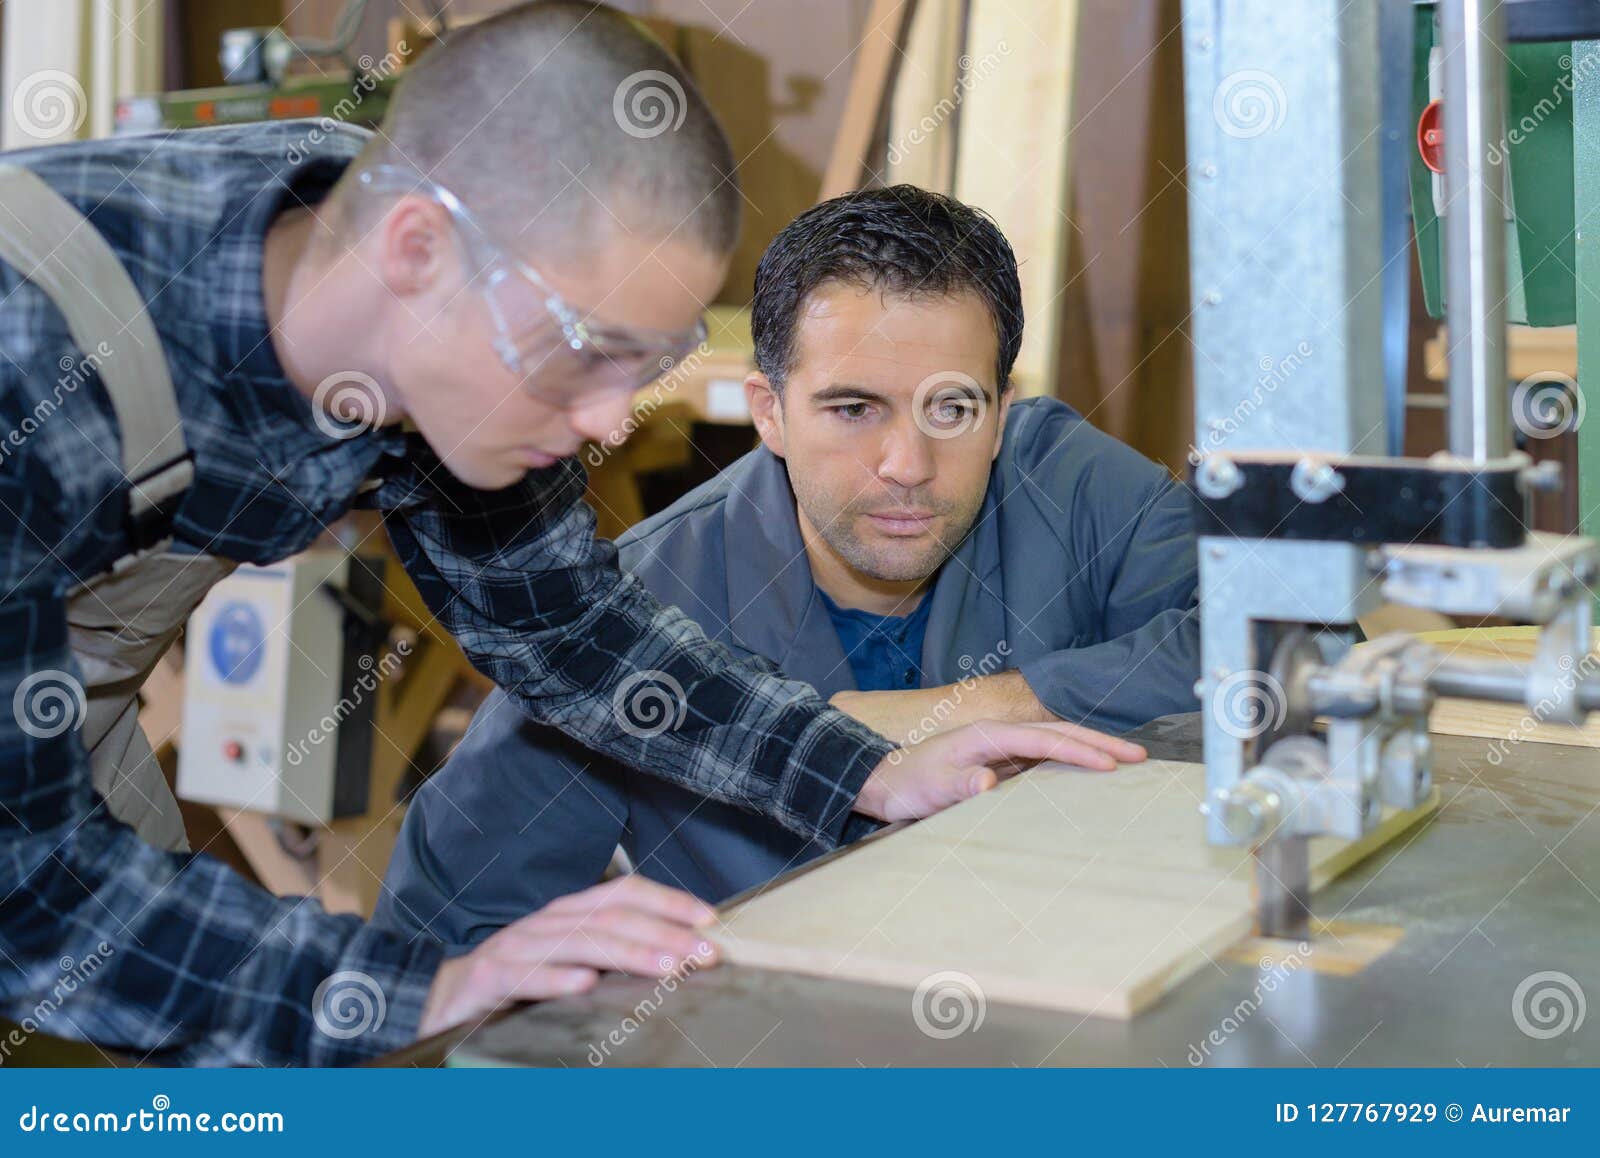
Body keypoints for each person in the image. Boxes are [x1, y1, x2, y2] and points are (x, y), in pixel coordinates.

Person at [0, 4, 1141, 1066]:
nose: (607, 420)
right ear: (414, 252)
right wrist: (422, 988)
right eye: (587, 351)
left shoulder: (429, 318)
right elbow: (27, 893)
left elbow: (571, 634)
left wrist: (866, 769)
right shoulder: (30, 360)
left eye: (641, 364)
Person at [375, 186, 1196, 949]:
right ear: (768, 411)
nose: (908, 462)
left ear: (1002, 409)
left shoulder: (1071, 489)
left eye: (953, 407)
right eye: (852, 409)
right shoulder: (630, 614)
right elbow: (448, 920)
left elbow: (1282, 638)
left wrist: (972, 706)